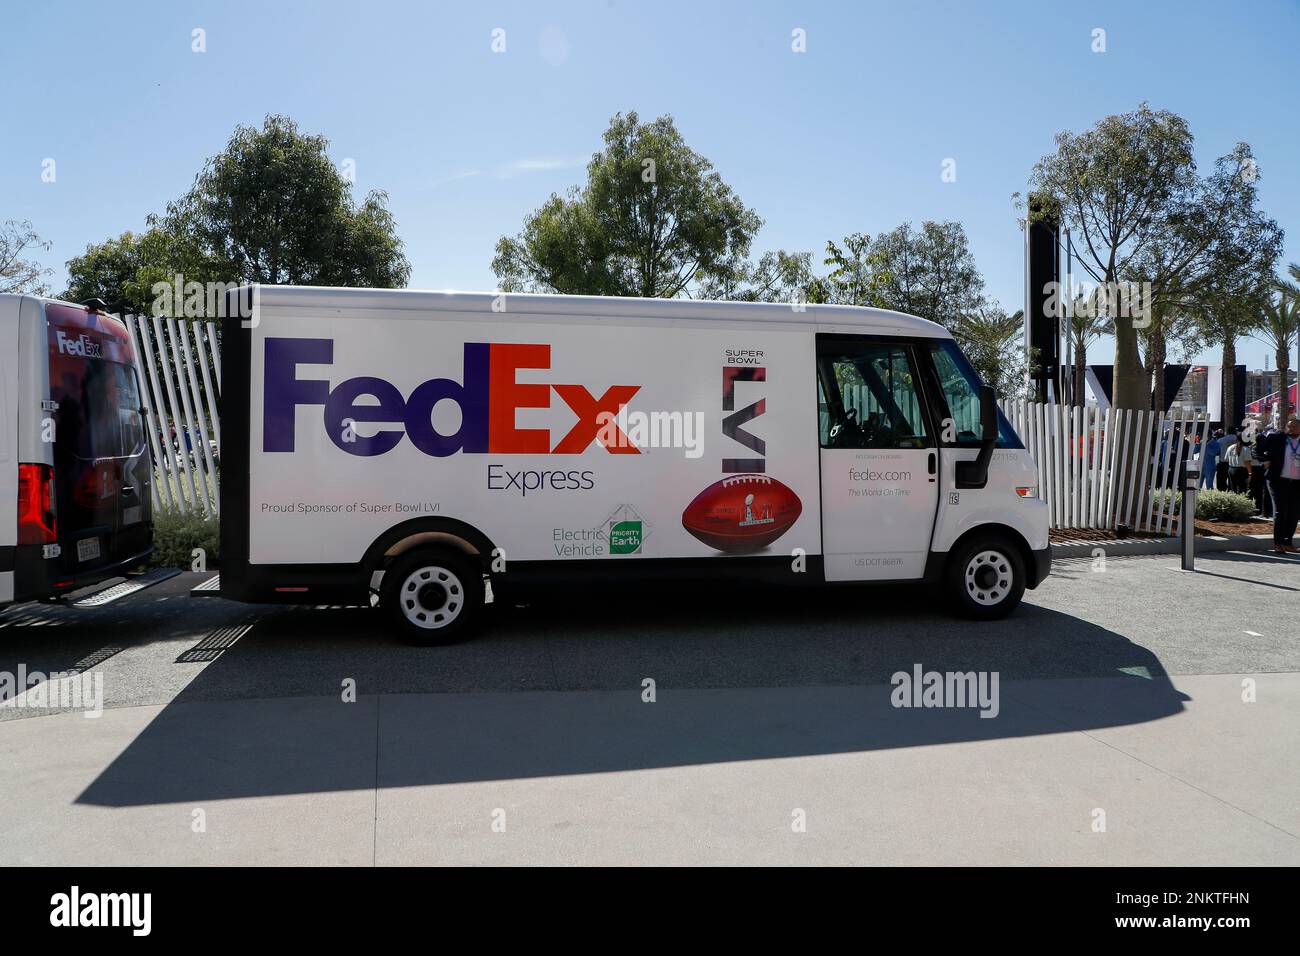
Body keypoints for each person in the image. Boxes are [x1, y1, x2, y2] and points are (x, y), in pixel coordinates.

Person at [1256, 417, 1300, 553]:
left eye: (1295, 426)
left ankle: (1288, 542)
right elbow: (1256, 450)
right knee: (1281, 511)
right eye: (1289, 426)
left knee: (1294, 513)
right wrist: (1265, 460)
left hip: (1296, 482)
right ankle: (1278, 543)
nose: (1291, 429)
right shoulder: (1277, 438)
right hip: (1277, 481)